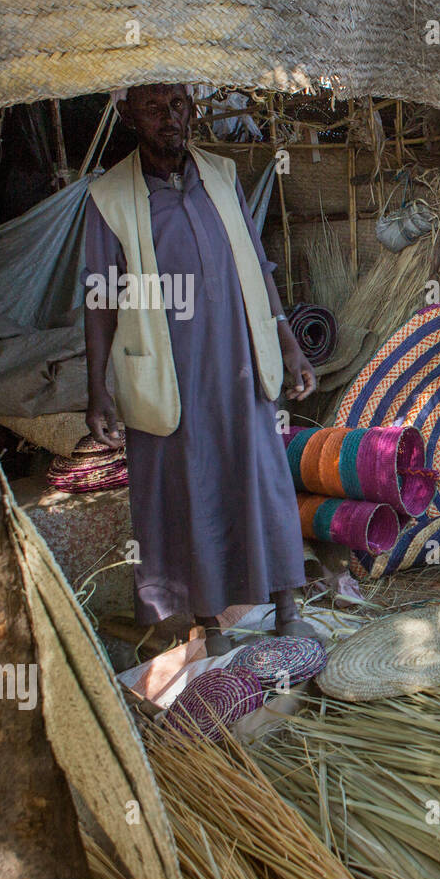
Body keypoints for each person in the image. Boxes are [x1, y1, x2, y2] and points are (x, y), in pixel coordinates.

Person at [83, 83, 318, 652]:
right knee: (187, 486)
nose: (173, 118)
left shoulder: (221, 173)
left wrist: (286, 339)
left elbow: (258, 263)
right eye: (155, 109)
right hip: (168, 371)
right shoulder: (108, 196)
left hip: (239, 356)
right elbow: (100, 299)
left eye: (181, 105)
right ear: (127, 116)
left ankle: (287, 607)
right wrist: (98, 390)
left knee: (258, 470)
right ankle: (208, 622)